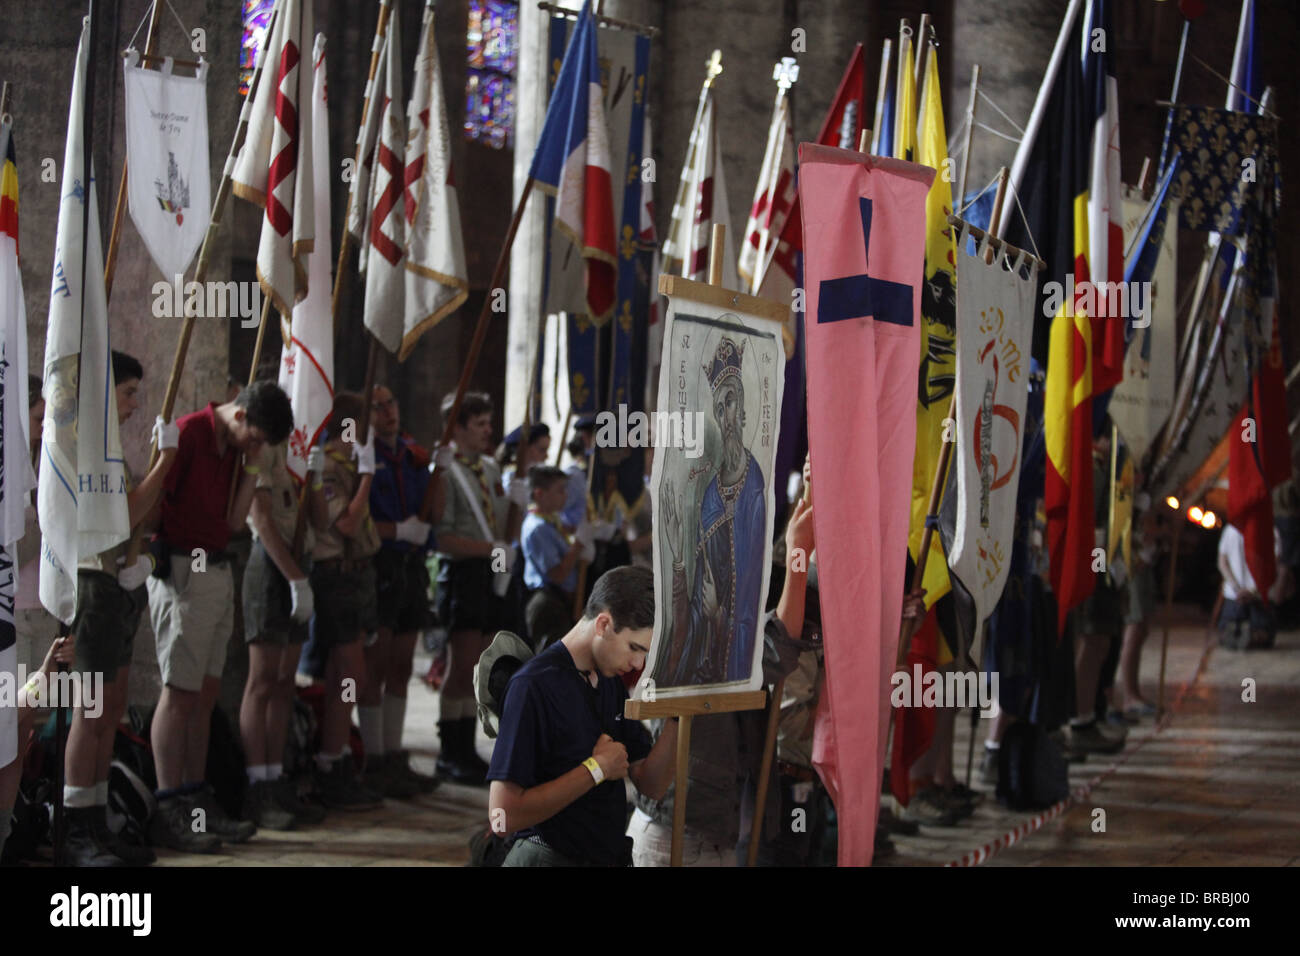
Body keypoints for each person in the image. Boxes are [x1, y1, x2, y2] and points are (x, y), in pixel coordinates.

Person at [626, 494, 817, 866]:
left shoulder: (719, 618)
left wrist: (807, 507)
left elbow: (777, 641)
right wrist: (797, 552)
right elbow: (775, 652)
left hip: (710, 831)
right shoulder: (688, 625)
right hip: (672, 834)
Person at [145, 380, 293, 852]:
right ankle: (169, 803)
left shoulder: (237, 449)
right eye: (256, 439)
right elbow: (151, 511)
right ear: (242, 414)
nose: (257, 449)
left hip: (217, 562)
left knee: (206, 694)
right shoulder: (188, 434)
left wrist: (250, 465)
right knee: (180, 691)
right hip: (184, 569)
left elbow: (233, 523)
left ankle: (196, 798)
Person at [62, 351, 181, 866]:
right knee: (90, 714)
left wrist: (156, 467)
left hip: (119, 587)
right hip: (93, 585)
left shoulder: (114, 449)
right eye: (128, 391)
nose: (136, 403)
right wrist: (166, 464)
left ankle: (97, 819)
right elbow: (122, 514)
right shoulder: (87, 446)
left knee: (110, 711)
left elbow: (144, 514)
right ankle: (72, 830)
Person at [487, 566, 677, 866]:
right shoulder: (534, 685)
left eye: (646, 654)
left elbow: (651, 785)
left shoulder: (610, 679)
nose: (638, 663)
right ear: (603, 624)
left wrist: (677, 717)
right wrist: (595, 769)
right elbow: (502, 816)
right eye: (634, 648)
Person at [659, 336, 766, 685]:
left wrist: (722, 616)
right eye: (719, 408)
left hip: (741, 658)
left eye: (731, 403)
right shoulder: (710, 496)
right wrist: (679, 560)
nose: (726, 416)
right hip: (709, 658)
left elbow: (754, 584)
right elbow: (695, 606)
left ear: (745, 407)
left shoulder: (755, 485)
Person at [238, 437, 328, 830]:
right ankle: (257, 785)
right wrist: (293, 577)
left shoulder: (302, 444)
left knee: (284, 682)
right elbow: (260, 518)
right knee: (262, 681)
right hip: (271, 563)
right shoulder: (262, 448)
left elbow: (322, 522)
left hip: (300, 560)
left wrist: (319, 477)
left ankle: (277, 778)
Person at [434, 391, 523, 783]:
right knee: (460, 665)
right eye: (481, 424)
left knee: (479, 668)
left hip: (490, 574)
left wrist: (517, 499)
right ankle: (448, 750)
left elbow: (507, 531)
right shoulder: (445, 471)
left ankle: (466, 748)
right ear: (458, 426)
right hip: (464, 573)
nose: (490, 430)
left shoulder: (488, 469)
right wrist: (492, 547)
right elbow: (444, 537)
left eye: (490, 422)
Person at [361, 385, 439, 798]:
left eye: (390, 403)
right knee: (375, 664)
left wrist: (438, 471)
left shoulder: (412, 454)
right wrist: (396, 531)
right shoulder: (361, 453)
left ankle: (394, 754)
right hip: (380, 564)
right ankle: (373, 757)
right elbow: (353, 522)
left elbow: (435, 510)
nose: (387, 411)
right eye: (376, 407)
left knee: (402, 666)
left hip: (410, 569)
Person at [307, 393, 383, 810]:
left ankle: (336, 761)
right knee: (348, 673)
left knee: (350, 675)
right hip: (335, 576)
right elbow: (349, 523)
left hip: (357, 577)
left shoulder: (348, 465)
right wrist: (368, 476)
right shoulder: (331, 468)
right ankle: (329, 764)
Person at [520, 465, 593, 649]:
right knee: (553, 658)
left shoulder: (553, 521)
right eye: (559, 490)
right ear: (539, 494)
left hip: (561, 600)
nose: (565, 495)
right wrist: (577, 546)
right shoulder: (537, 528)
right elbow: (558, 574)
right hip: (548, 602)